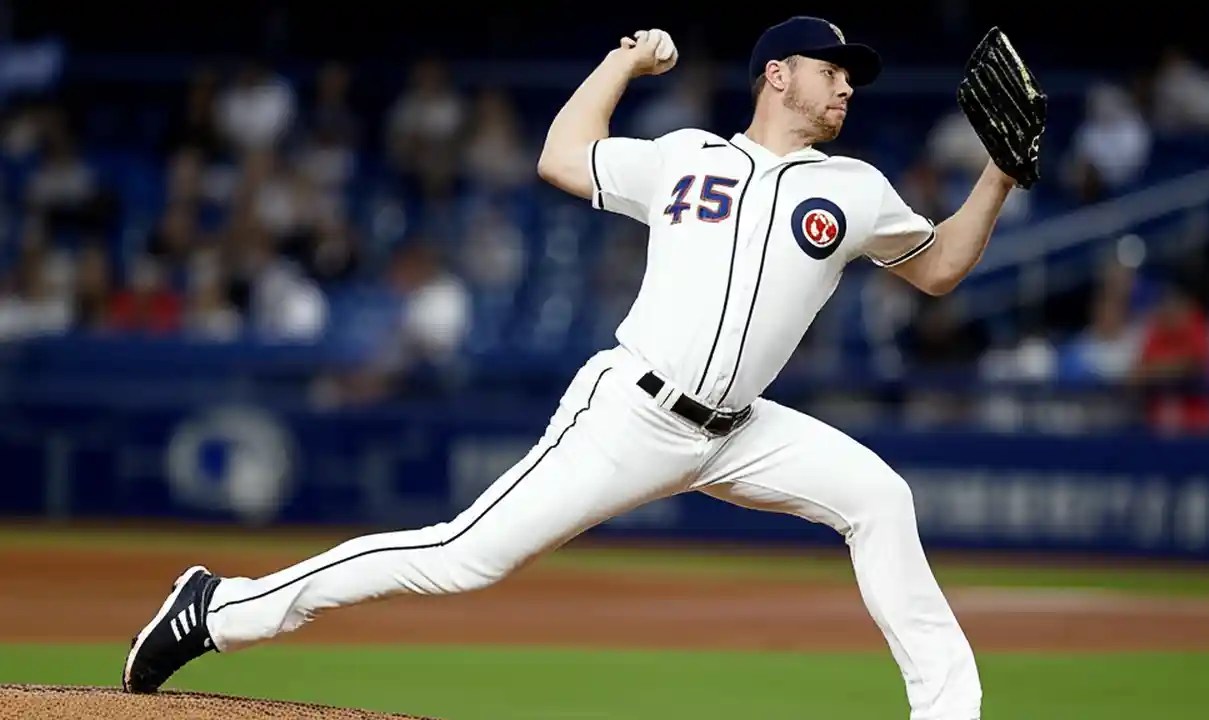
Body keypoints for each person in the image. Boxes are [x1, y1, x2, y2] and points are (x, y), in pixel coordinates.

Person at [125, 18, 1020, 719]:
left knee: (879, 498)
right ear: (777, 75)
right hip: (633, 412)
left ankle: (951, 714)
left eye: (852, 77)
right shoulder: (688, 157)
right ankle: (219, 609)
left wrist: (999, 175)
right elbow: (561, 157)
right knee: (461, 558)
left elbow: (938, 270)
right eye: (833, 71)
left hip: (742, 428)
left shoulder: (855, 189)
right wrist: (623, 64)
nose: (847, 88)